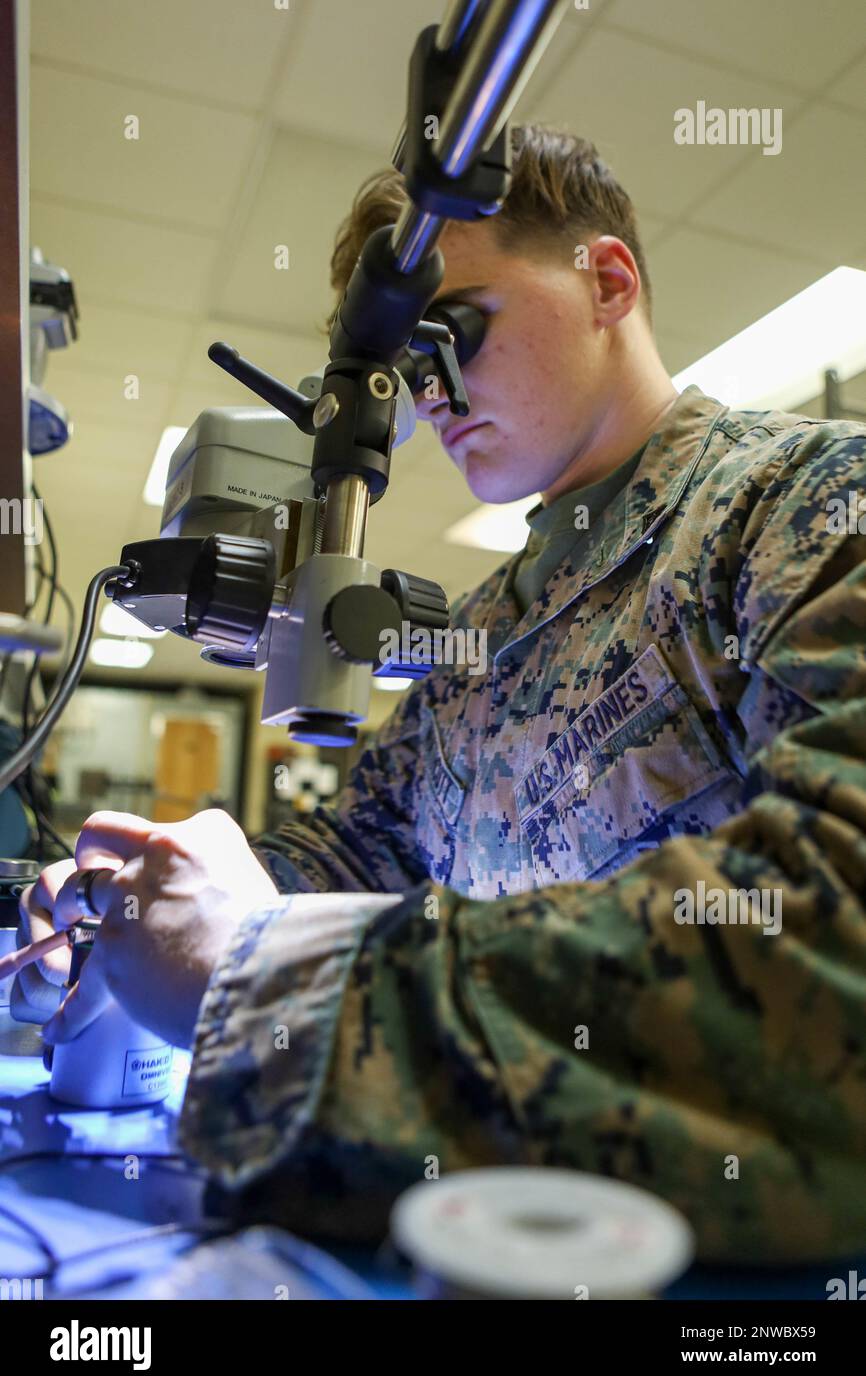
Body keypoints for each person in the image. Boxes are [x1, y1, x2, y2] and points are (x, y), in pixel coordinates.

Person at [15, 125, 866, 1262]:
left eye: (448, 336)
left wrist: (266, 975)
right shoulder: (482, 635)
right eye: (406, 369)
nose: (429, 395)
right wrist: (150, 907)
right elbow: (360, 850)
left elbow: (832, 935)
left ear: (604, 281)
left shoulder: (805, 511)